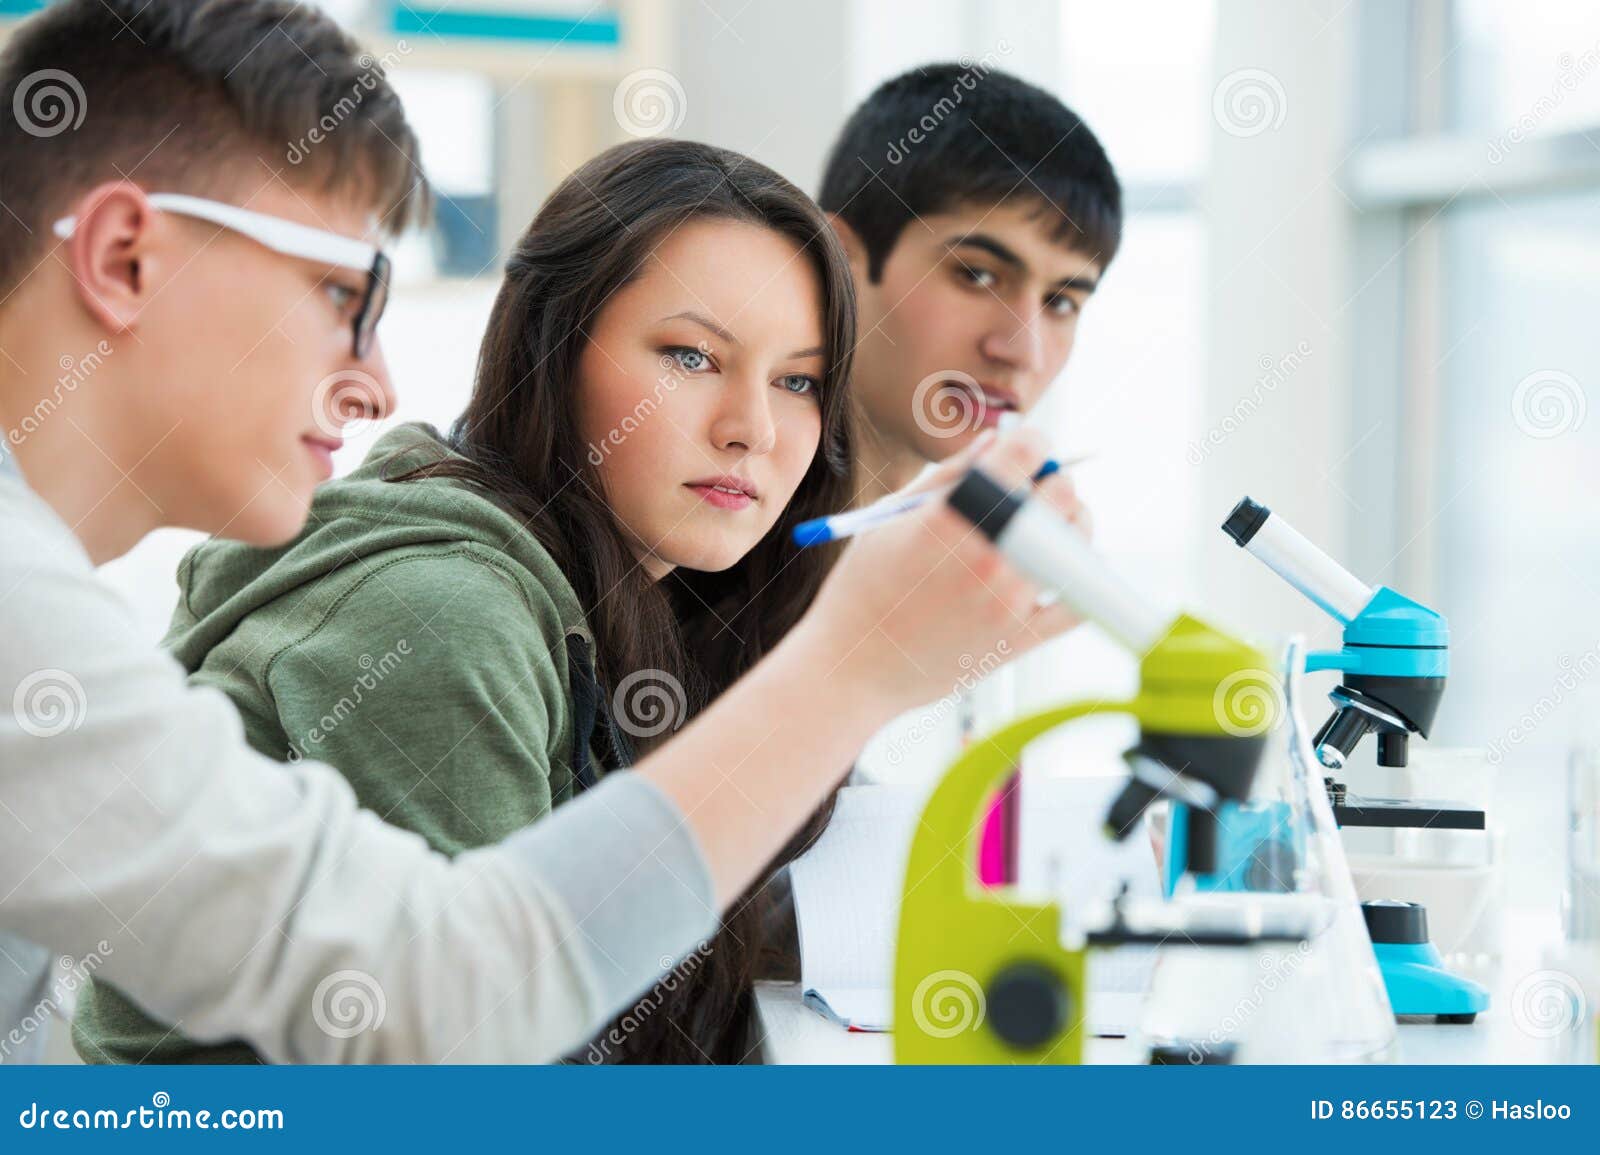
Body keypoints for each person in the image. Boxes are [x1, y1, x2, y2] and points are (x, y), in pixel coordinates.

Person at [0, 0, 1078, 1063]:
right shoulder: (425, 608)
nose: (374, 385)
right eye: (340, 294)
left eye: (799, 381)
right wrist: (857, 664)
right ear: (125, 258)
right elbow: (448, 1014)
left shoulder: (48, 624)